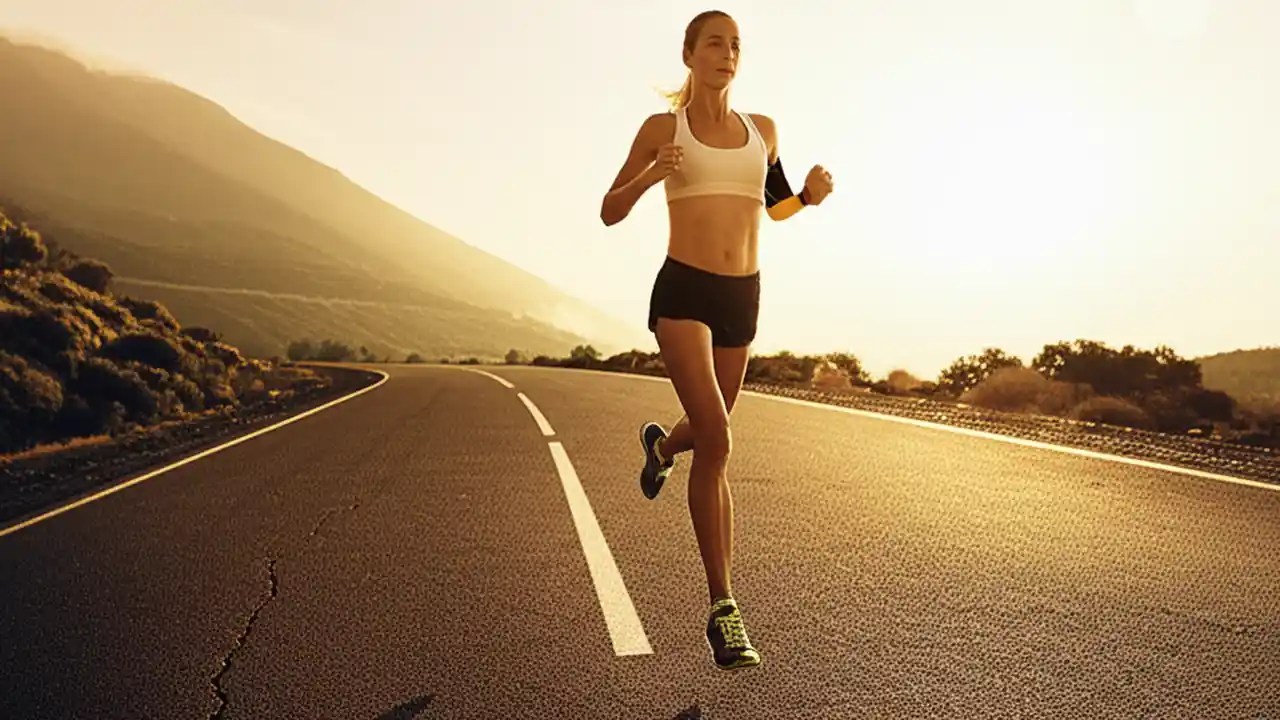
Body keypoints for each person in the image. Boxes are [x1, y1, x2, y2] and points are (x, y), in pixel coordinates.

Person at [599, 9, 834, 670]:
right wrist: (652, 173)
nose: (727, 52)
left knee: (706, 430)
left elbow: (777, 204)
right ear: (689, 54)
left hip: (742, 298)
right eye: (714, 42)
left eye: (736, 44)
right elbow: (610, 209)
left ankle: (661, 446)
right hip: (683, 294)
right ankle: (723, 610)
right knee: (723, 439)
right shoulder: (661, 129)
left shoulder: (763, 130)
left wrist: (809, 198)